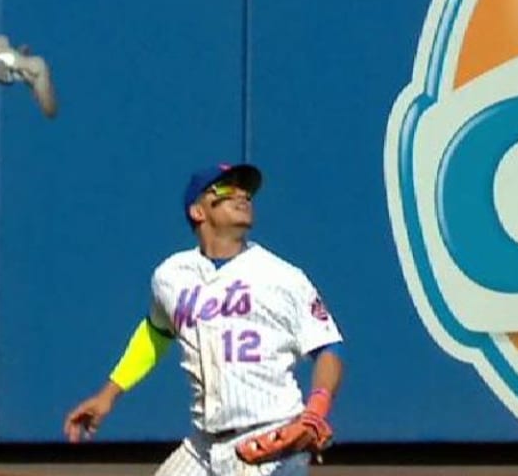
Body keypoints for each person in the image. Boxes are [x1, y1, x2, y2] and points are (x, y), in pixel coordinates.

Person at [63, 163, 344, 476]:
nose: (242, 195)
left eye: (246, 190)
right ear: (197, 211)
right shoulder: (171, 276)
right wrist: (108, 395)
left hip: (271, 440)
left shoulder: (284, 276)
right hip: (203, 446)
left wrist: (315, 411)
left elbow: (329, 348)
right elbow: (156, 333)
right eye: (225, 188)